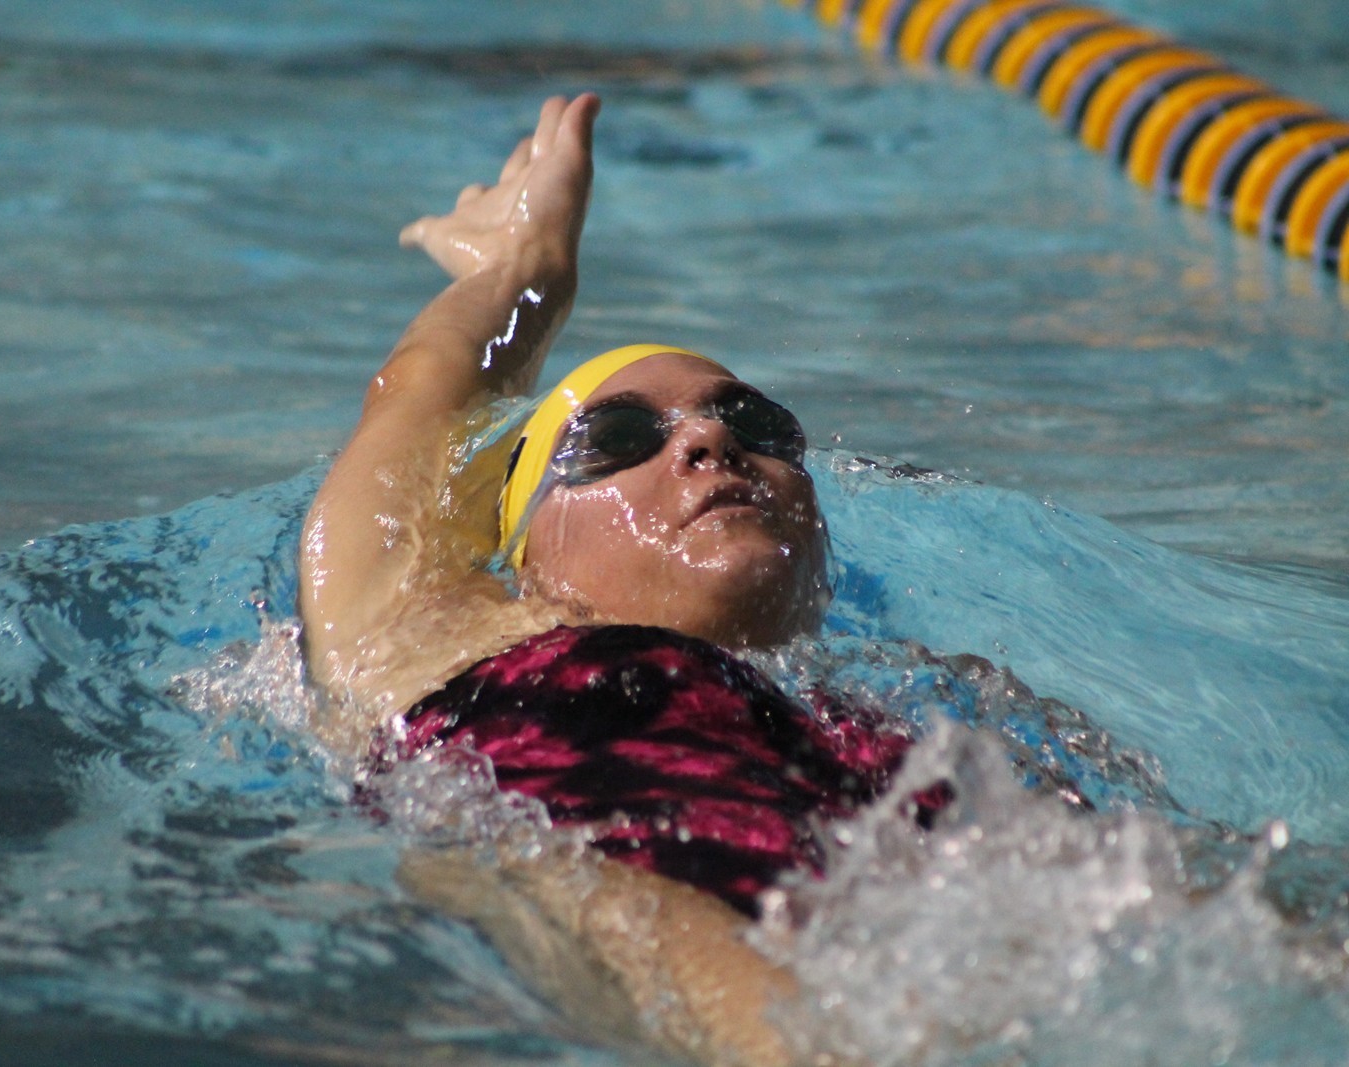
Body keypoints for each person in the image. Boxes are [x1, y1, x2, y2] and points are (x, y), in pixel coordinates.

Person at [298, 92, 940, 1066]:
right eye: (619, 439)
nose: (710, 437)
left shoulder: (902, 718)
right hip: (694, 955)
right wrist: (525, 272)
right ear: (525, 550)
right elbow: (416, 406)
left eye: (756, 424)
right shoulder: (440, 633)